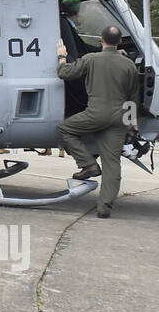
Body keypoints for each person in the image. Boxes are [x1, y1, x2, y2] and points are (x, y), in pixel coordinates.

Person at [57, 26, 140, 219]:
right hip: (120, 117)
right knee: (112, 163)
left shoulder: (90, 59)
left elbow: (65, 73)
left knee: (65, 129)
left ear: (101, 39)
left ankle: (88, 164)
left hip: (96, 114)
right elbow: (133, 95)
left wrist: (62, 56)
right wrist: (132, 121)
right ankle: (104, 208)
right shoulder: (129, 65)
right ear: (119, 42)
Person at [59, 0, 99, 116]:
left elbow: (81, 47)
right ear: (77, 12)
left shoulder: (64, 23)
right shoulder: (65, 25)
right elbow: (80, 49)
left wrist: (102, 50)